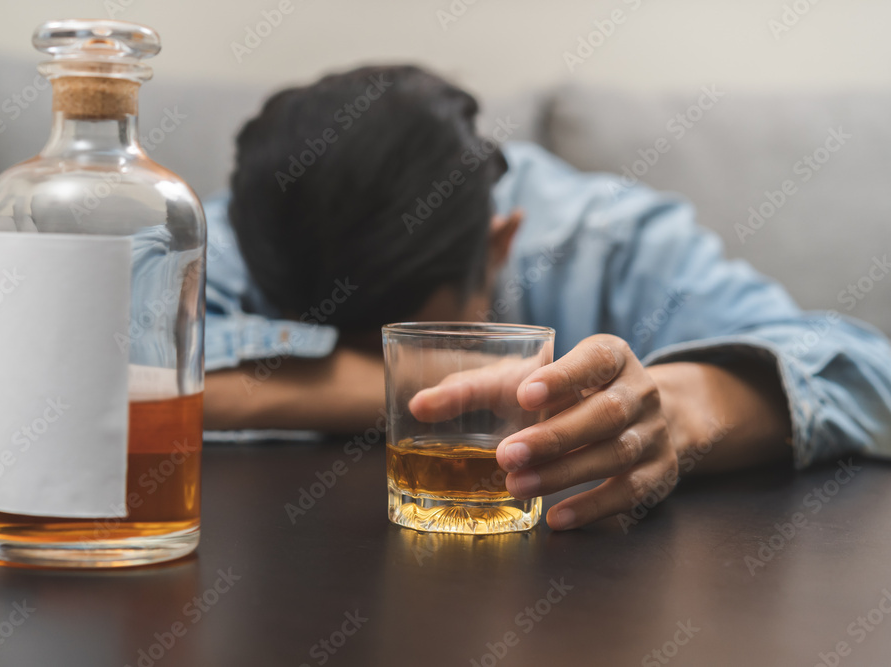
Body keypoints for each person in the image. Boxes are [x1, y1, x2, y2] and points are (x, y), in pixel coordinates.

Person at [199, 65, 891, 530]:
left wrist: (677, 409)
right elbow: (110, 362)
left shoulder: (605, 238)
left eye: (427, 337)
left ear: (501, 244)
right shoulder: (252, 226)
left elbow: (866, 369)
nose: (405, 382)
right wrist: (440, 372)